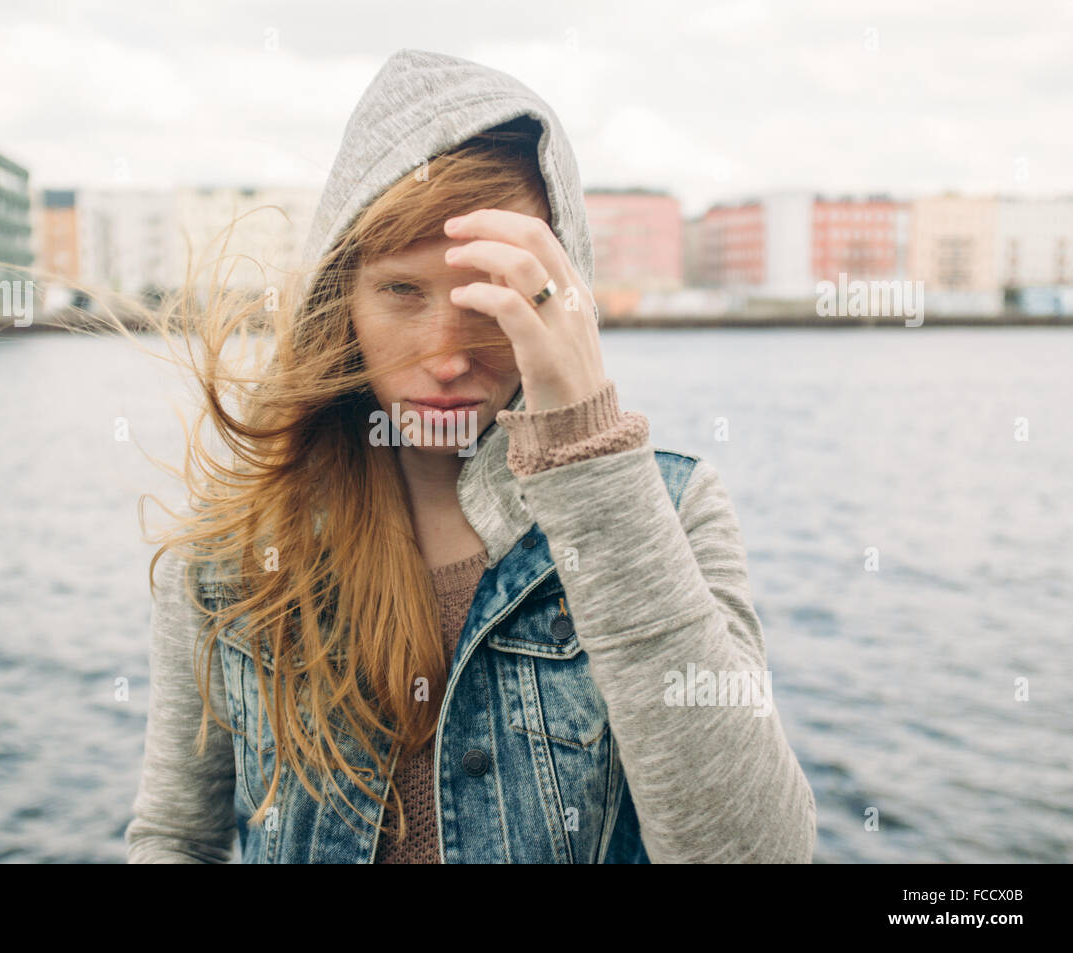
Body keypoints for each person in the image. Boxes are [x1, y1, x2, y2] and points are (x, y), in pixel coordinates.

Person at [124, 48, 816, 863]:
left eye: (488, 295)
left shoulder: (673, 512)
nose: (447, 356)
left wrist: (589, 451)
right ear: (340, 302)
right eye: (402, 291)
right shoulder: (232, 549)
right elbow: (176, 838)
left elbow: (758, 853)